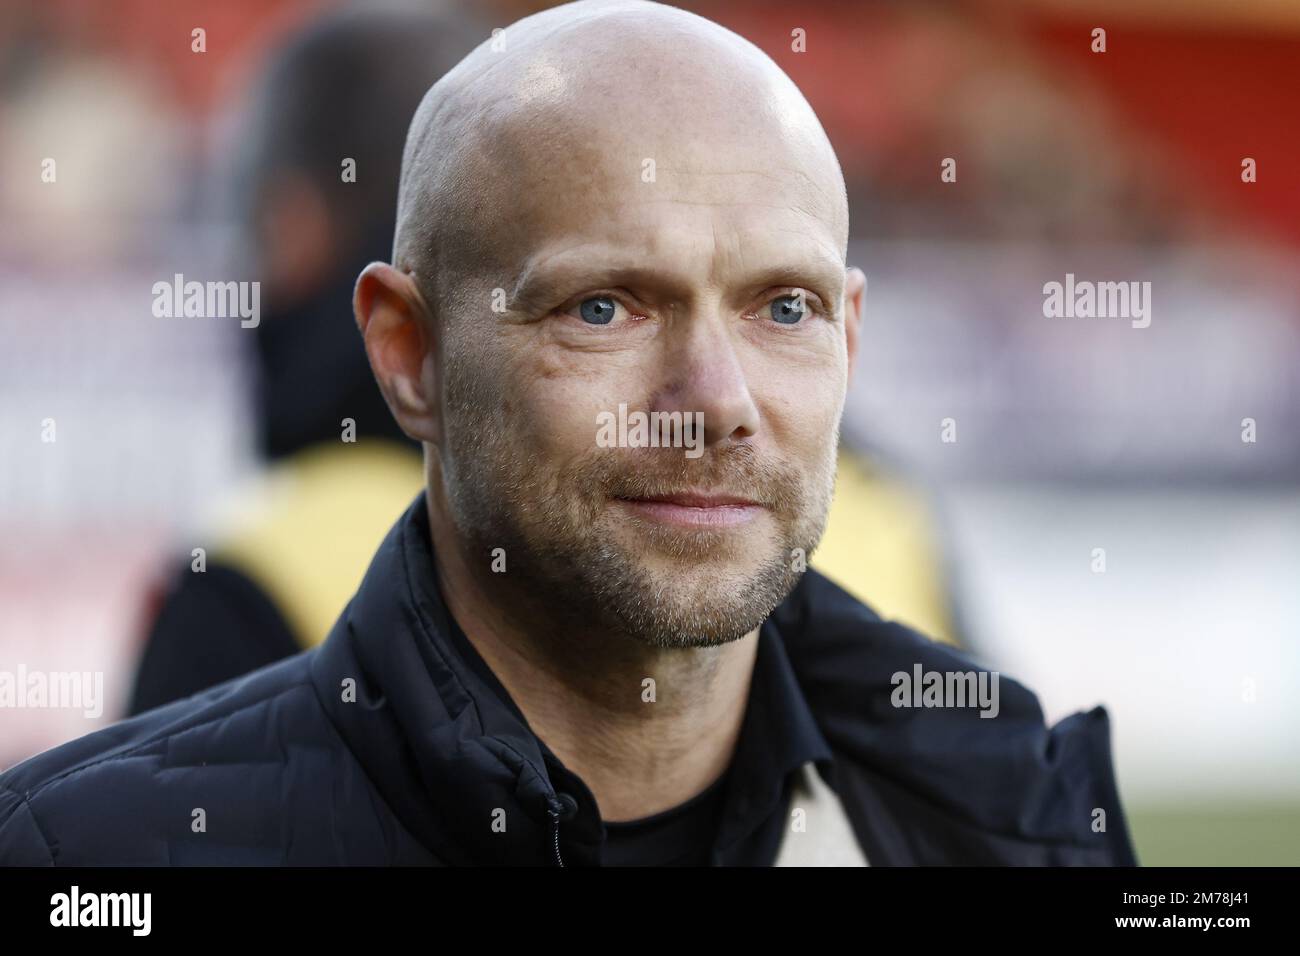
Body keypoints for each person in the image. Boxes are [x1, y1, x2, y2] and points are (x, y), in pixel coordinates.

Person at [0, 0, 1135, 866]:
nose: (716, 399)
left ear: (848, 334)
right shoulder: (94, 854)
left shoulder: (1020, 817)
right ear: (408, 352)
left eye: (781, 307)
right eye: (603, 307)